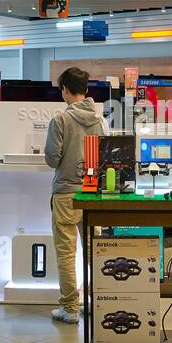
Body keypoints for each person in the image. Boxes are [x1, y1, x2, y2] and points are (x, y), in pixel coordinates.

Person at [44, 67, 106, 324]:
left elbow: (51, 159)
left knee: (66, 253)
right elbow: (105, 157)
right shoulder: (100, 121)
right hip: (92, 193)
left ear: (65, 90)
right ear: (86, 90)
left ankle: (70, 307)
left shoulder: (60, 120)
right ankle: (96, 301)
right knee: (95, 250)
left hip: (66, 194)